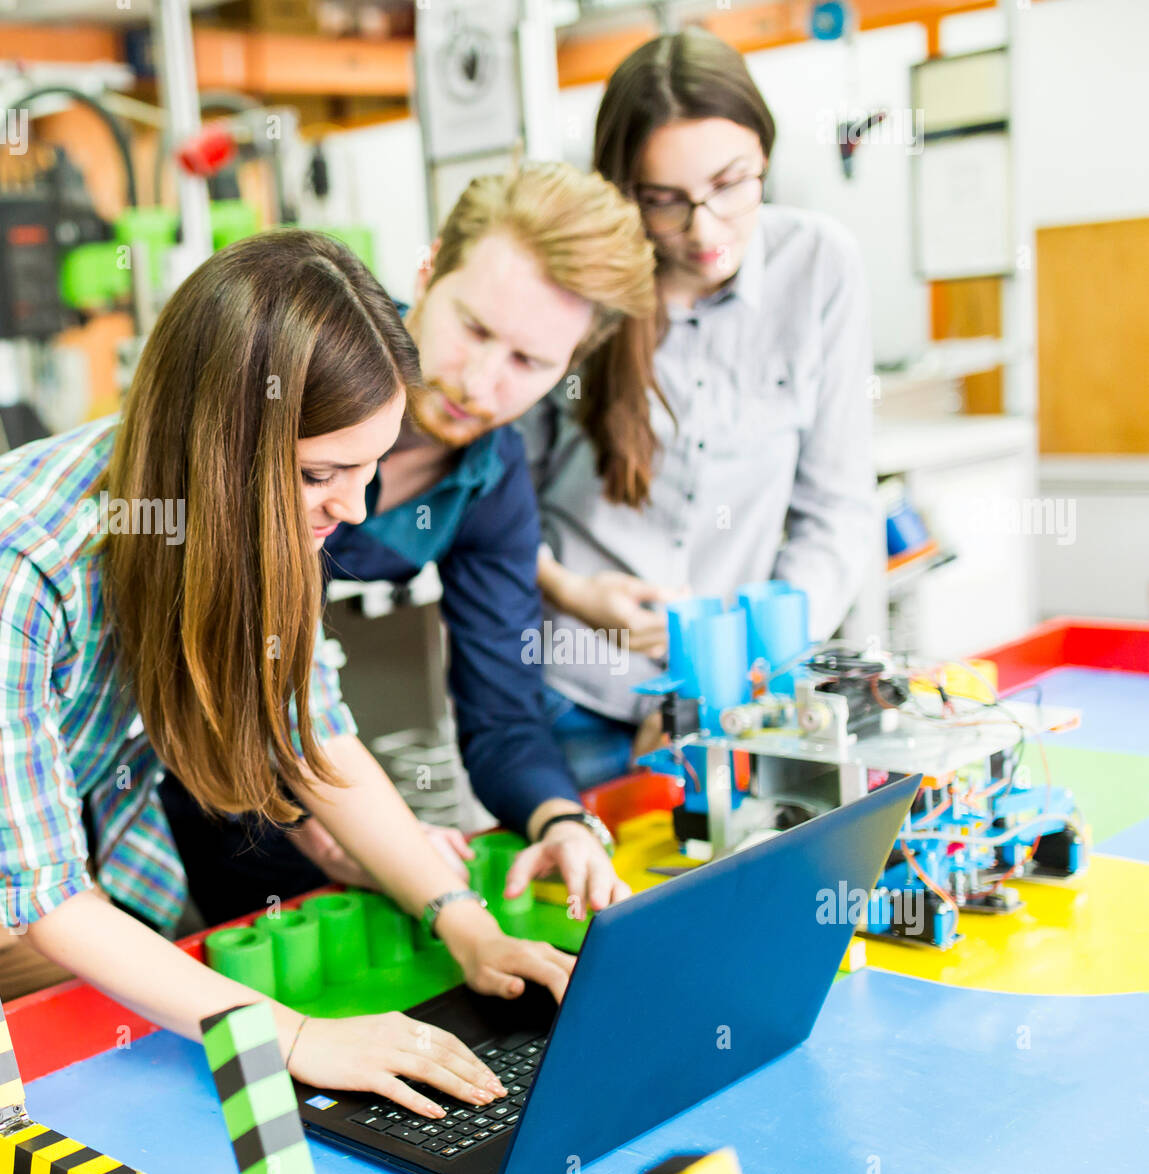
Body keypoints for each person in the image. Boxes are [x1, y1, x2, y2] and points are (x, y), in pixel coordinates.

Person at [0, 230, 574, 1117]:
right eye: (321, 473)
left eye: (371, 465)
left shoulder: (252, 516)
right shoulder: (24, 565)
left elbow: (312, 736)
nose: (353, 505)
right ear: (216, 448)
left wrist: (461, 919)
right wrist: (297, 1036)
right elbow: (48, 900)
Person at [159, 163, 658, 926]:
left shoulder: (489, 480)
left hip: (290, 746)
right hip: (153, 743)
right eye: (475, 328)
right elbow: (208, 669)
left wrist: (560, 821)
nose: (481, 382)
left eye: (530, 362)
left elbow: (503, 715)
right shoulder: (292, 364)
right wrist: (320, 816)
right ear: (427, 271)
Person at [520, 29, 879, 788]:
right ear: (624, 191)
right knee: (577, 900)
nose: (705, 229)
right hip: (571, 688)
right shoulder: (573, 284)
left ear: (765, 154)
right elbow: (495, 502)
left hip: (737, 694)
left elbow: (837, 511)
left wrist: (744, 664)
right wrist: (574, 595)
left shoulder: (818, 267)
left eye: (731, 184)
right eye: (666, 202)